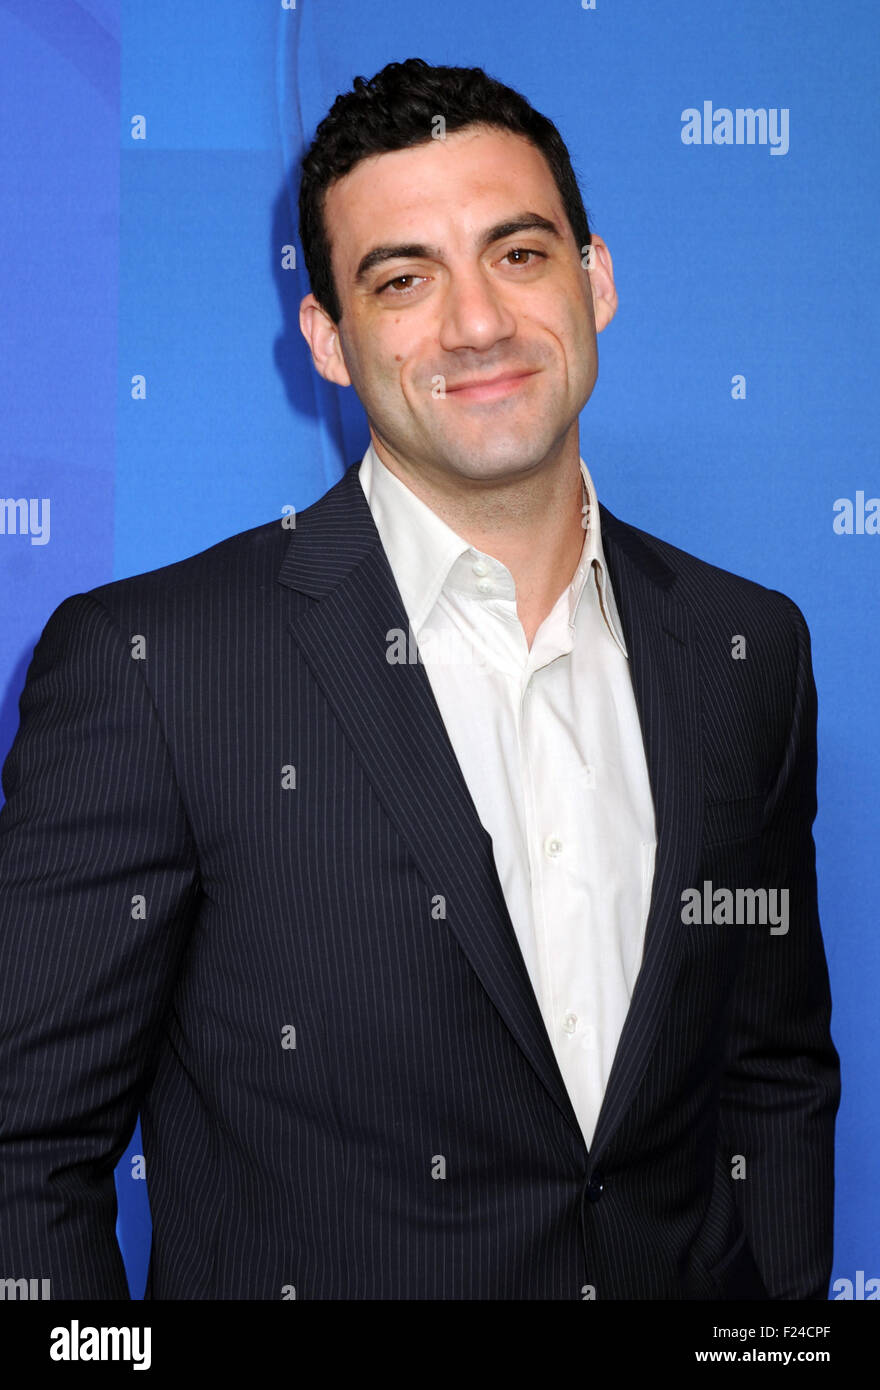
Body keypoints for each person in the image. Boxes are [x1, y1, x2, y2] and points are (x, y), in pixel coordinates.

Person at [0, 57, 839, 1300]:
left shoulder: (743, 649)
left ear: (594, 279)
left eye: (517, 254)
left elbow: (769, 1072)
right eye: (404, 279)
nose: (478, 323)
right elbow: (26, 1153)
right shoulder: (153, 668)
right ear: (330, 343)